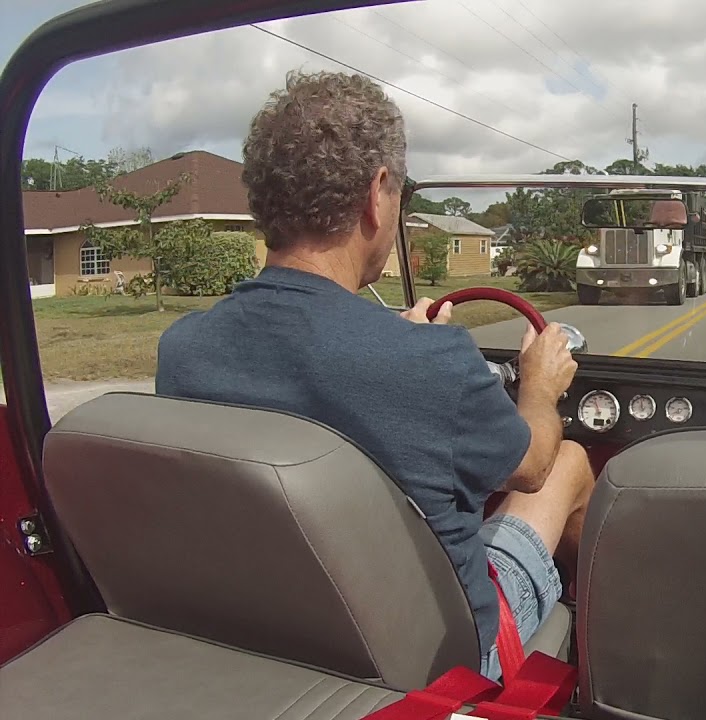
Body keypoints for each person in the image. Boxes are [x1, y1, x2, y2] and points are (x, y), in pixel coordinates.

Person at [154, 70, 594, 681]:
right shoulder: (432, 363)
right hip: (435, 659)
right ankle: (596, 636)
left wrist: (408, 345)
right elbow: (530, 466)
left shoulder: (184, 350)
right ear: (376, 191)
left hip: (267, 636)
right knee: (569, 460)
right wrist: (539, 389)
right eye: (401, 195)